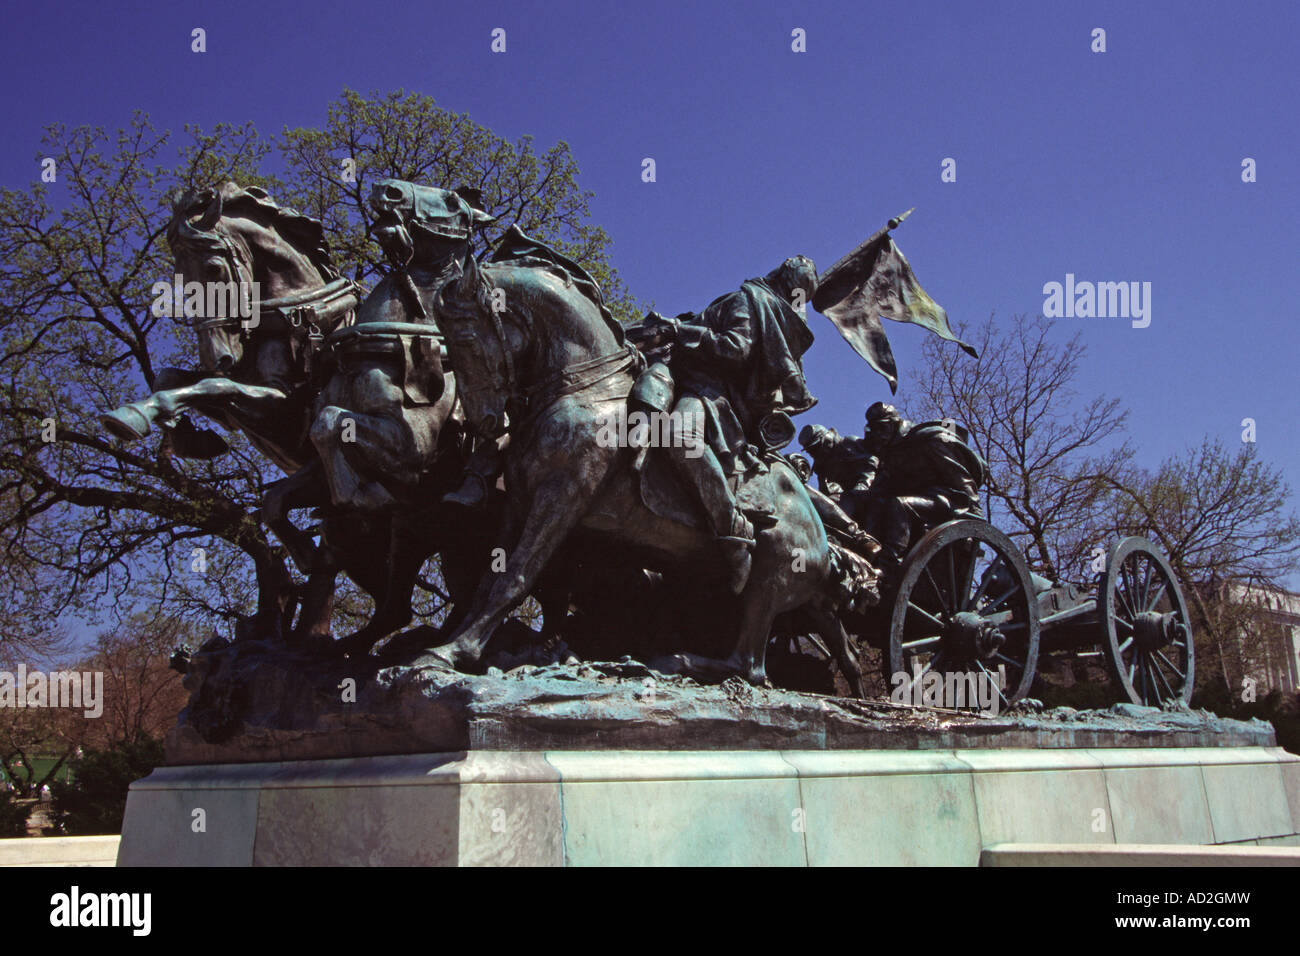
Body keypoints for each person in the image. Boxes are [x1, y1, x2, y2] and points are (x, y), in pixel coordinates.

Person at [644, 255, 820, 593]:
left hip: (708, 393)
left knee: (681, 437)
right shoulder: (757, 302)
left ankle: (734, 530)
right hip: (672, 375)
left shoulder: (748, 300)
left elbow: (735, 348)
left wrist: (680, 330)